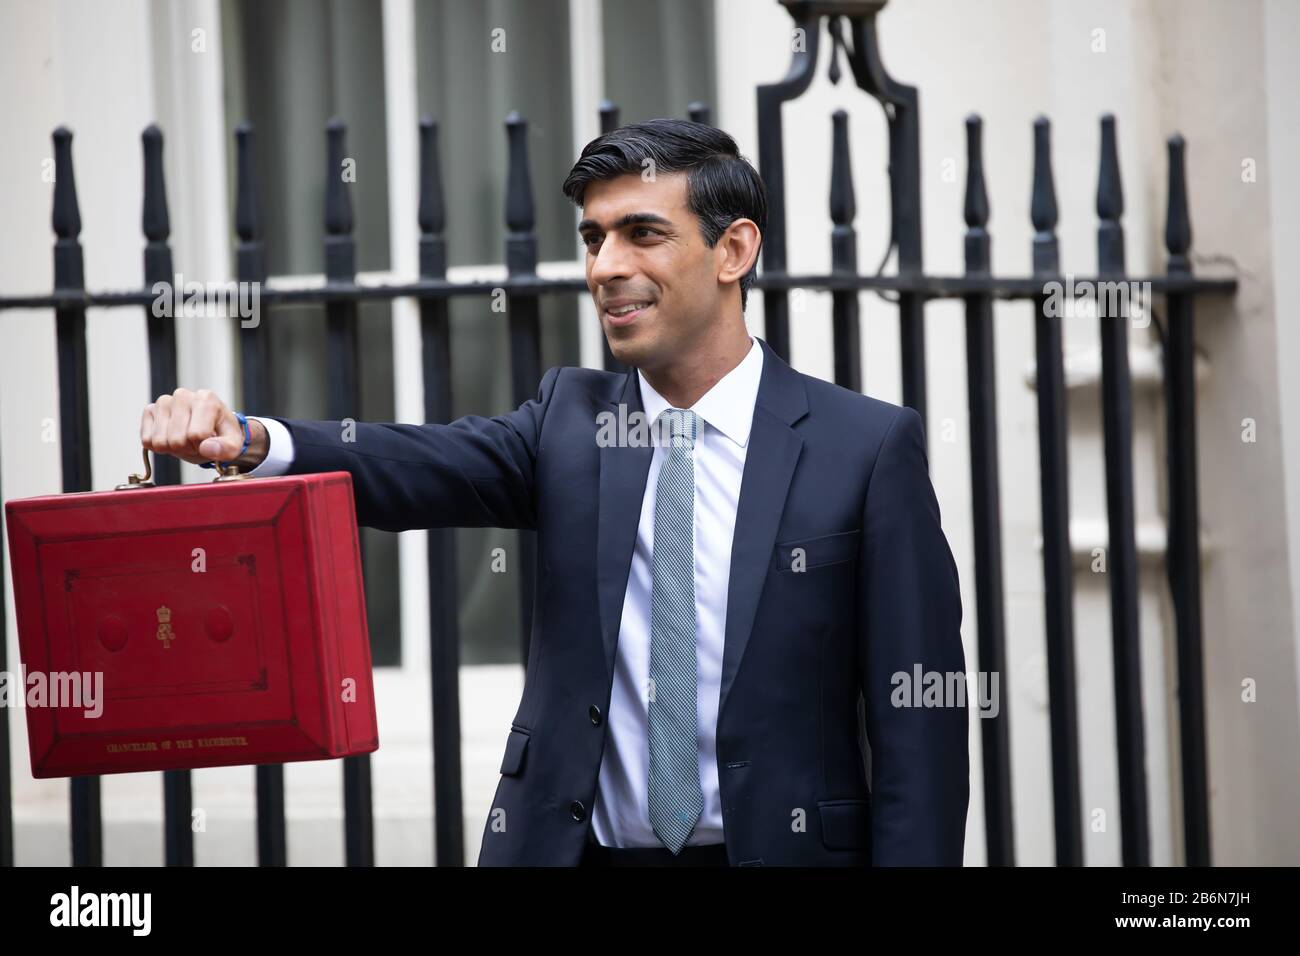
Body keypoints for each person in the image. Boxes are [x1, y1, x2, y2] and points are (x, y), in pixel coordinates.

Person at [140, 119, 969, 867]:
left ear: (734, 250)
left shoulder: (864, 447)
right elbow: (411, 462)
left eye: (643, 233)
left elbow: (919, 737)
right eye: (594, 238)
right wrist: (251, 437)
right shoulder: (567, 425)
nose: (607, 267)